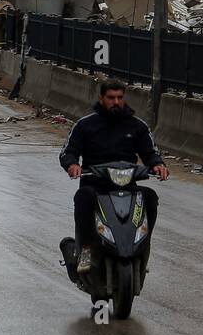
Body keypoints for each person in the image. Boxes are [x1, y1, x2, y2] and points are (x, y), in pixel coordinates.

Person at [60, 80, 168, 274]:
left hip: (127, 185)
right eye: (111, 98)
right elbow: (69, 151)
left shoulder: (137, 126)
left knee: (150, 197)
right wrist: (72, 165)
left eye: (119, 97)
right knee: (83, 197)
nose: (116, 102)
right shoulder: (85, 125)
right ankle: (85, 250)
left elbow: (150, 152)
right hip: (95, 185)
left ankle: (143, 249)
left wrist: (158, 165)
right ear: (101, 98)